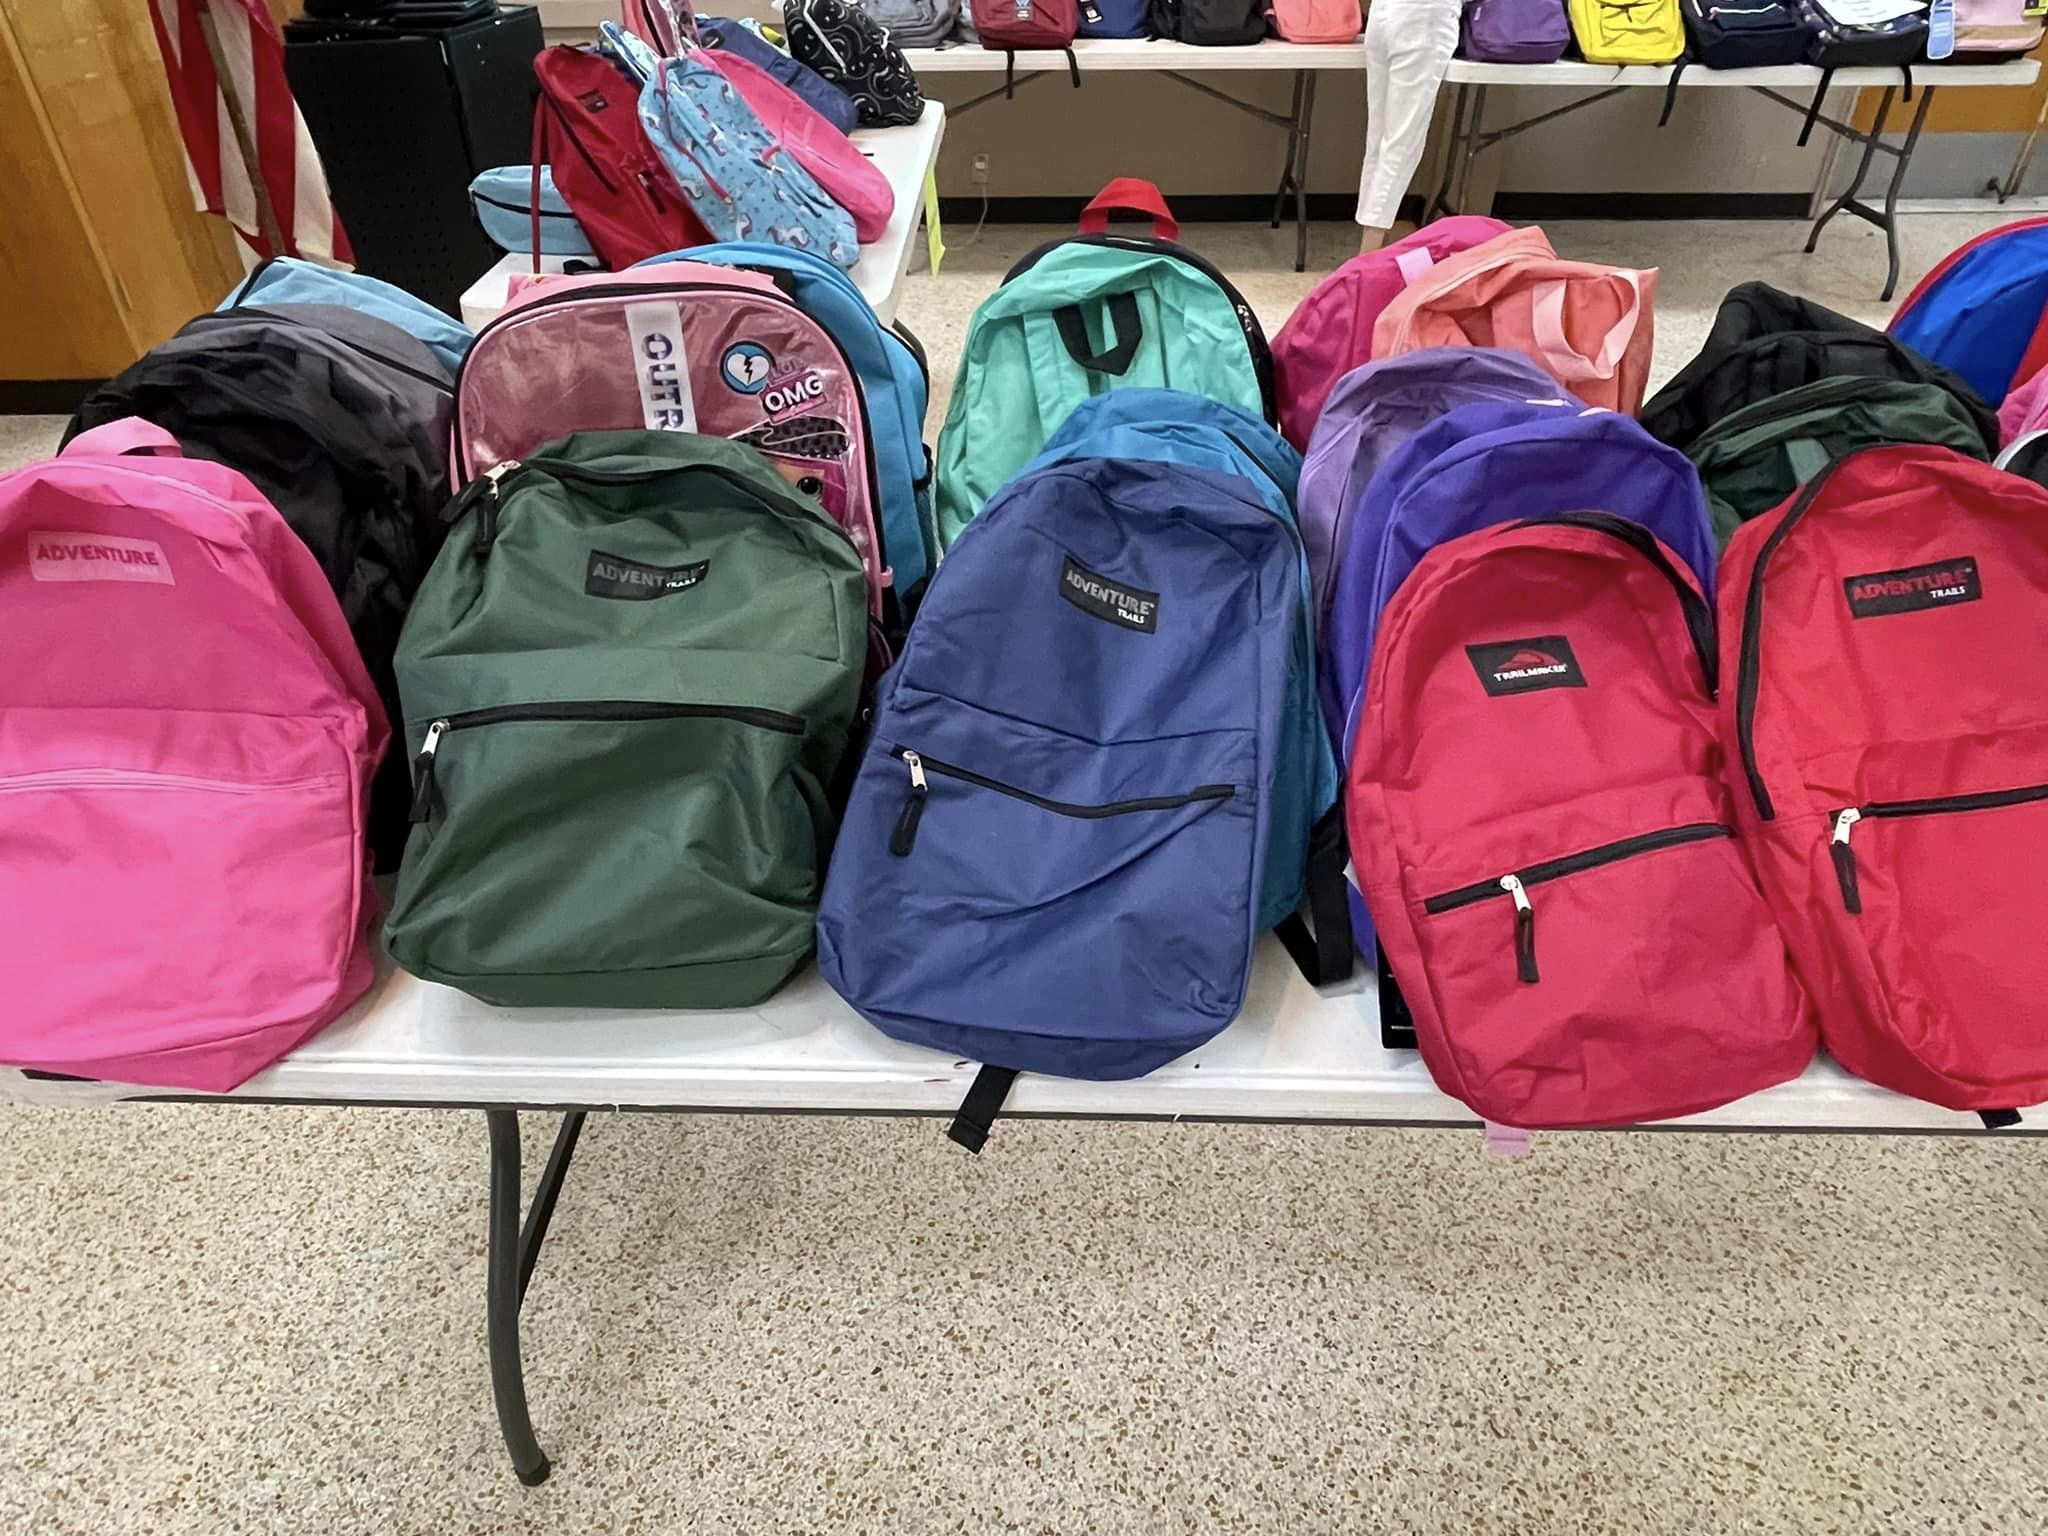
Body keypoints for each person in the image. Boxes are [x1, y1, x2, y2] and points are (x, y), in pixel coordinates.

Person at [1357, 0, 1464, 255]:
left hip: (1384, 14)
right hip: (1425, 20)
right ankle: (1368, 253)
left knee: (1379, 139)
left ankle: (1373, 240)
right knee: (1402, 143)